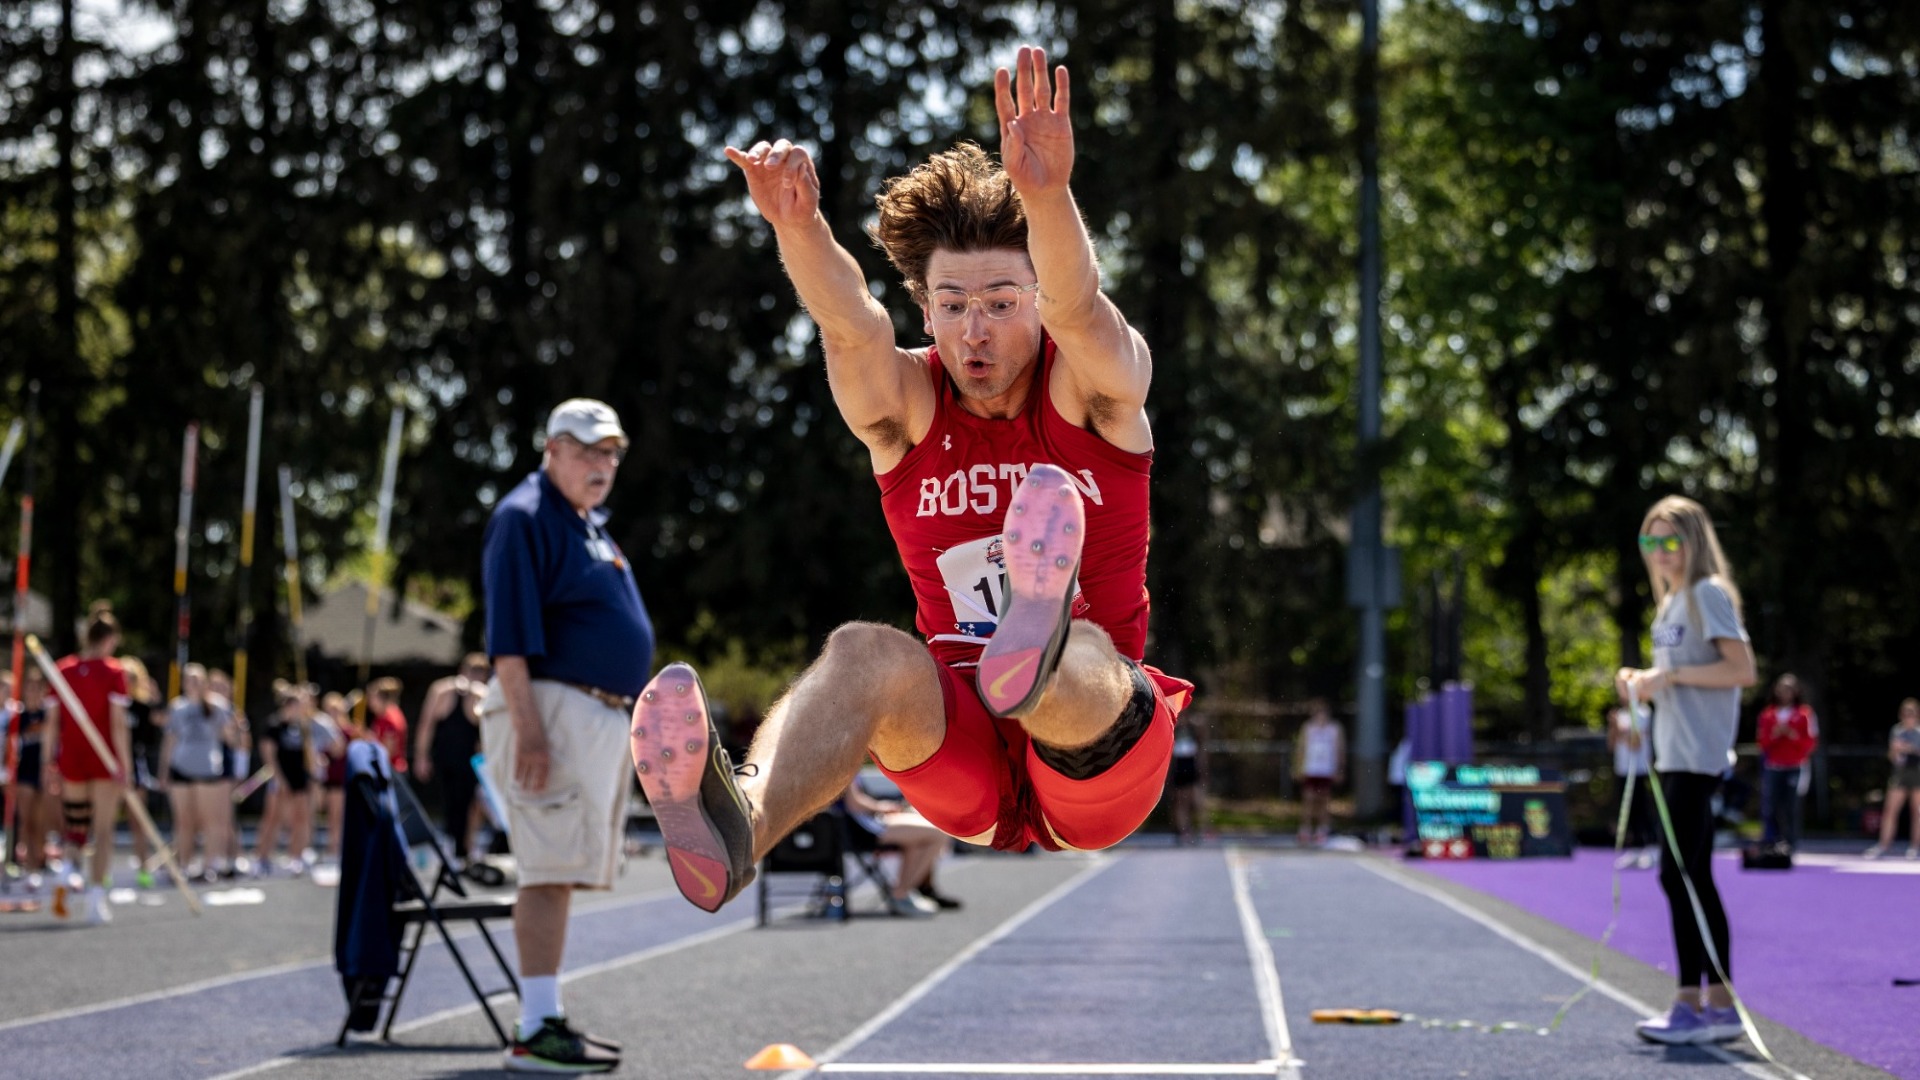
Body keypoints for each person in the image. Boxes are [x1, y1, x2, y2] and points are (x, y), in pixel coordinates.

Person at [631, 48, 1193, 927]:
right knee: (865, 652)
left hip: (1102, 756)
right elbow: (851, 329)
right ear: (925, 309)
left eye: (1004, 302)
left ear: (1036, 299)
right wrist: (798, 229)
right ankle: (738, 823)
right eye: (953, 304)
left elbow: (1083, 310)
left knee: (1082, 650)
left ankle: (1038, 645)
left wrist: (1047, 196)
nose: (976, 329)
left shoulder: (1089, 387)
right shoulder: (909, 406)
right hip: (958, 742)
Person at [479, 397, 650, 1073]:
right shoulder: (524, 518)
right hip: (548, 711)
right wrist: (530, 735)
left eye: (610, 452)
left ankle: (546, 1016)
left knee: (565, 872)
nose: (601, 465)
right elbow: (509, 645)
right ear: (550, 450)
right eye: (585, 451)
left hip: (589, 714)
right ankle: (533, 1029)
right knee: (548, 873)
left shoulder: (583, 521)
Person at [1614, 496, 1756, 1045]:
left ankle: (1695, 1004)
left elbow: (1740, 669)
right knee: (1690, 878)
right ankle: (1711, 1004)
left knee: (1681, 878)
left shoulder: (1706, 593)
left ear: (1693, 542)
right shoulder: (1670, 604)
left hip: (1697, 758)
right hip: (1672, 753)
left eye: (1670, 540)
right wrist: (1643, 683)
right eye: (1651, 541)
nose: (1660, 552)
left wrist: (1667, 679)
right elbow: (1682, 672)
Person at [41, 605, 133, 925]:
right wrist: (126, 765)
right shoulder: (114, 671)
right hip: (104, 757)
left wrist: (47, 761)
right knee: (103, 831)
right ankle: (95, 897)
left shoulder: (62, 669)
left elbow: (51, 724)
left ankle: (67, 870)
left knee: (76, 826)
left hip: (73, 757)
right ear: (109, 640)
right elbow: (119, 725)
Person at [158, 663, 241, 881]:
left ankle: (208, 865)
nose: (192, 684)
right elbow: (170, 741)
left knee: (211, 820)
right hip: (181, 768)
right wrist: (164, 770)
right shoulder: (177, 707)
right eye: (188, 679)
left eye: (196, 680)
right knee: (184, 821)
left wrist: (236, 729)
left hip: (208, 769)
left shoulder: (218, 706)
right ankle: (184, 864)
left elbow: (229, 739)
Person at [839, 775, 954, 917]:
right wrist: (882, 807)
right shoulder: (844, 765)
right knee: (938, 834)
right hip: (863, 829)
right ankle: (902, 893)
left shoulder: (844, 764)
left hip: (865, 824)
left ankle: (905, 892)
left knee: (918, 840)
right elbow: (854, 803)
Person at [415, 653, 491, 863]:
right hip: (447, 758)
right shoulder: (443, 691)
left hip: (472, 762)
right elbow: (426, 724)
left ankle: (465, 846)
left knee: (472, 804)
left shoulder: (482, 695)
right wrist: (421, 756)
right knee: (453, 803)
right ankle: (454, 846)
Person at [253, 681, 317, 873]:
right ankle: (262, 857)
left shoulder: (302, 726)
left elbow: (308, 753)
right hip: (280, 779)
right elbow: (268, 755)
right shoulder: (274, 725)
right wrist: (279, 779)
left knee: (301, 818)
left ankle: (295, 856)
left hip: (299, 778)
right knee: (272, 818)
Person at [1755, 674, 1817, 854]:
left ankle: (1791, 843)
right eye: (1782, 688)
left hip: (1795, 766)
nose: (1785, 693)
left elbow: (1810, 742)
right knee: (1770, 806)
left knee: (1791, 806)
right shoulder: (1768, 714)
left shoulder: (1805, 714)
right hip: (1774, 766)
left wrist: (1792, 735)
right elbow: (1762, 742)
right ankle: (1771, 840)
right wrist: (1775, 734)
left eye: (1789, 688)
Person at [1864, 697, 1920, 860]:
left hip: (1917, 774)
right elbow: (1891, 756)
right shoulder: (1896, 731)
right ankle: (1883, 844)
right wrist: (1896, 750)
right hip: (1900, 774)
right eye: (1905, 713)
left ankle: (1915, 846)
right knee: (1890, 810)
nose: (1908, 716)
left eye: (1912, 713)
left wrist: (1911, 749)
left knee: (1917, 812)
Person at [1605, 703, 1656, 869]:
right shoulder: (1619, 714)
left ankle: (1651, 848)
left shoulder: (1643, 713)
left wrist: (1620, 729)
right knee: (1628, 810)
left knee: (1642, 808)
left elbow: (1636, 743)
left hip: (1640, 769)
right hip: (1622, 769)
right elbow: (1611, 745)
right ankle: (1635, 848)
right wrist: (1613, 726)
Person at [1291, 700, 1344, 847]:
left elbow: (1340, 749)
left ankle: (1322, 829)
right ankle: (1305, 829)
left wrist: (1340, 769)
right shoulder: (1308, 728)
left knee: (1324, 801)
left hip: (1326, 770)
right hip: (1311, 769)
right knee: (1309, 799)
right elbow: (1301, 749)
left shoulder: (1334, 729)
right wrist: (1298, 767)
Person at [1167, 715, 1206, 845]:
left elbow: (1202, 738)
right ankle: (1183, 831)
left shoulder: (1193, 728)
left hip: (1191, 765)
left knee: (1196, 800)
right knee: (1180, 801)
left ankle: (1200, 829)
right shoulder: (1174, 727)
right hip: (1178, 765)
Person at [365, 678, 408, 775]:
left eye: (371, 698)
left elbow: (388, 751)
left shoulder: (390, 718)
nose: (369, 702)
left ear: (381, 698)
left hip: (392, 771)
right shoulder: (381, 716)